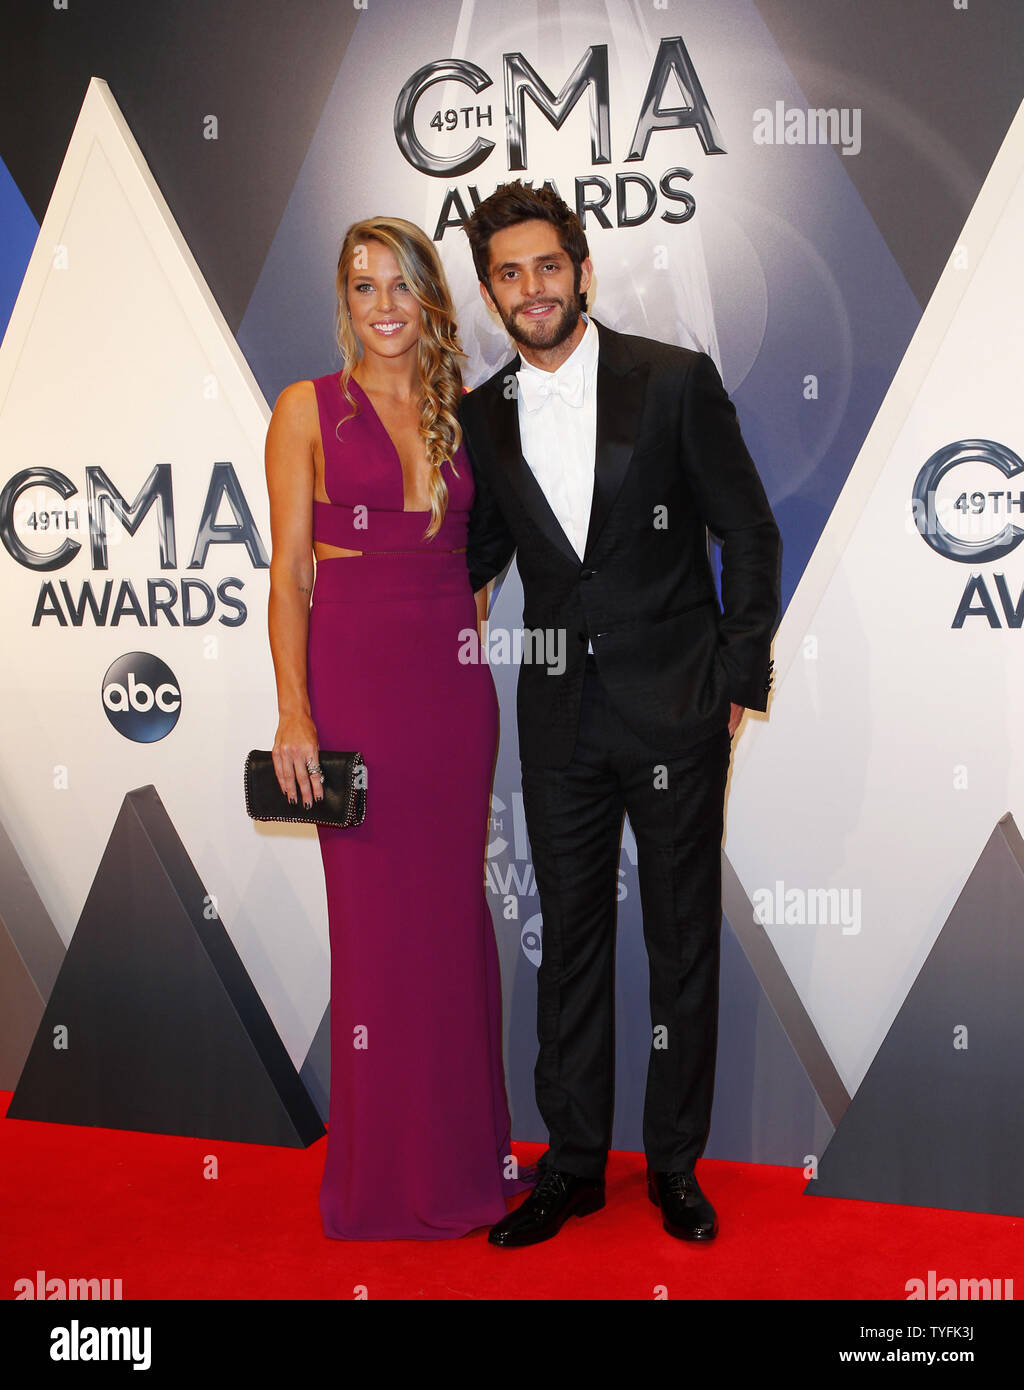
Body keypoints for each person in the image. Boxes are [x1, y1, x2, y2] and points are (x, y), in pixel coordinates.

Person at [460, 182, 781, 1247]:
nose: (531, 287)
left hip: (676, 706)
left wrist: (735, 679)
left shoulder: (675, 381)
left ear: (582, 270)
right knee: (570, 944)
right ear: (489, 291)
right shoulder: (480, 416)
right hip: (559, 718)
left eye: (546, 265)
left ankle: (677, 1167)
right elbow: (473, 564)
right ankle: (575, 1165)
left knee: (682, 940)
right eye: (507, 272)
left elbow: (749, 531)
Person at [263, 216, 527, 1239]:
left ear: (427, 299)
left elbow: (483, 550)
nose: (381, 306)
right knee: (376, 933)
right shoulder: (305, 409)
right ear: (344, 301)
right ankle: (385, 1178)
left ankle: (467, 1158)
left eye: (399, 285)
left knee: (451, 921)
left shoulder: (463, 412)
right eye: (362, 286)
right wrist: (294, 706)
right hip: (356, 679)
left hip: (451, 691)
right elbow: (290, 573)